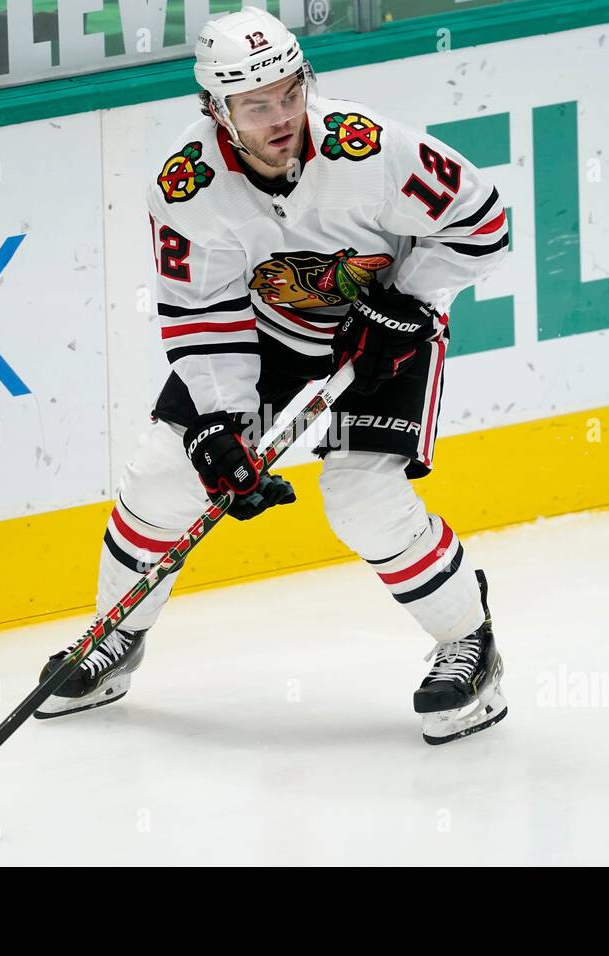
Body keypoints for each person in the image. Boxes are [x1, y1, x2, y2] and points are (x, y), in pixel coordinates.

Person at [36, 7, 510, 744]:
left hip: (386, 331)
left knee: (361, 498)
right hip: (272, 334)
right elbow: (200, 310)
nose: (282, 116)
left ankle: (469, 643)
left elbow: (484, 223)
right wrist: (220, 426)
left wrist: (409, 303)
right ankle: (116, 638)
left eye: (291, 92)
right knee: (165, 474)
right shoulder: (187, 185)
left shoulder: (370, 147)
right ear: (215, 109)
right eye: (257, 105)